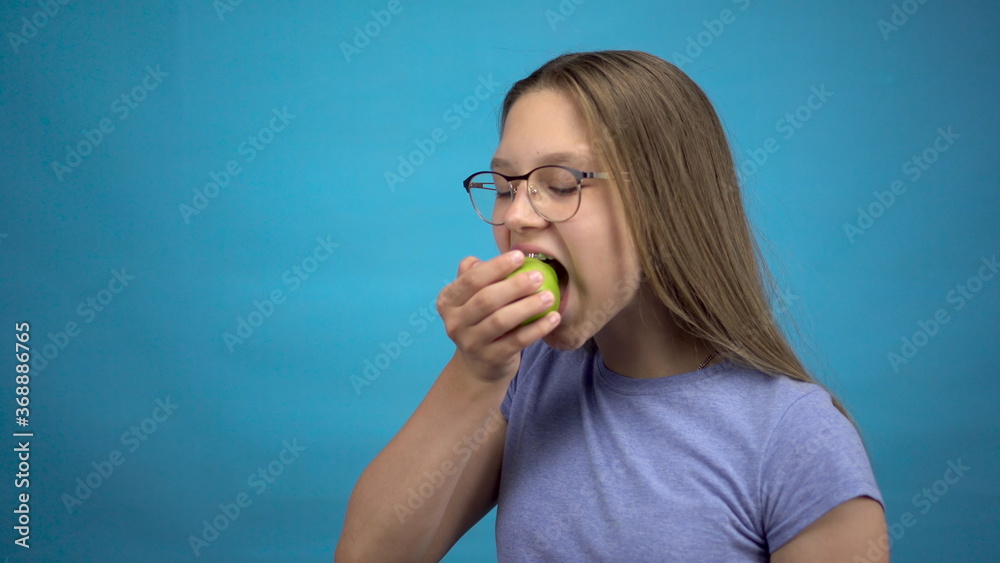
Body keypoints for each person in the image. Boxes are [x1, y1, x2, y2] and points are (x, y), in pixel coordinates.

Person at [336, 50, 886, 562]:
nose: (516, 217)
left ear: (666, 203)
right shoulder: (530, 378)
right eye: (505, 187)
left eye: (558, 183)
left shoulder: (798, 437)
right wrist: (473, 371)